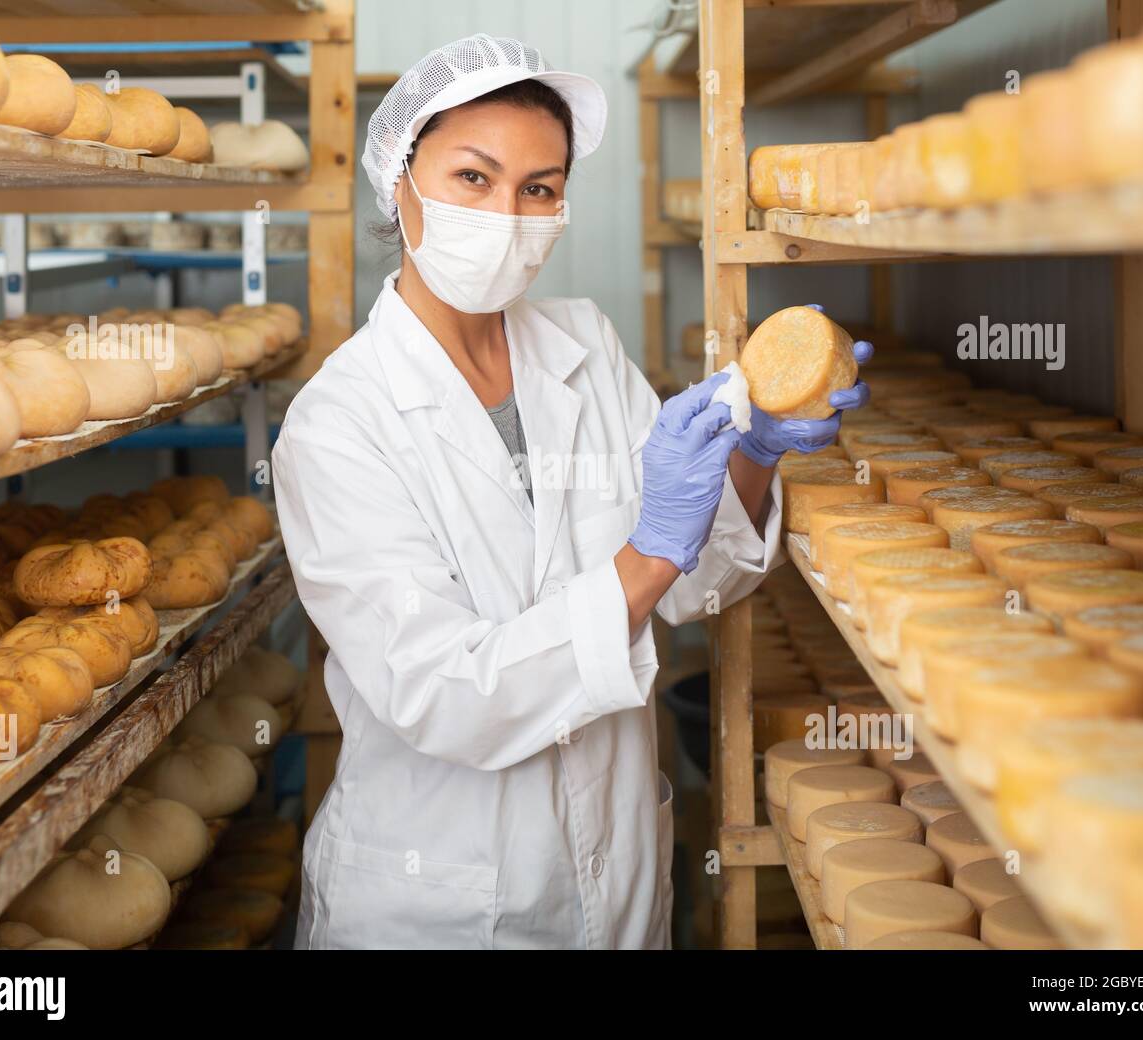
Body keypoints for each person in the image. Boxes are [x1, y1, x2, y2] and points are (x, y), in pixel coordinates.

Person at [273, 34, 871, 949]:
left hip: (617, 860)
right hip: (435, 897)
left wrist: (752, 456)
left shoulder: (583, 347)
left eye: (539, 188)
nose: (509, 214)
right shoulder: (338, 423)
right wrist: (648, 552)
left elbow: (701, 581)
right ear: (399, 181)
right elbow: (445, 693)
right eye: (474, 178)